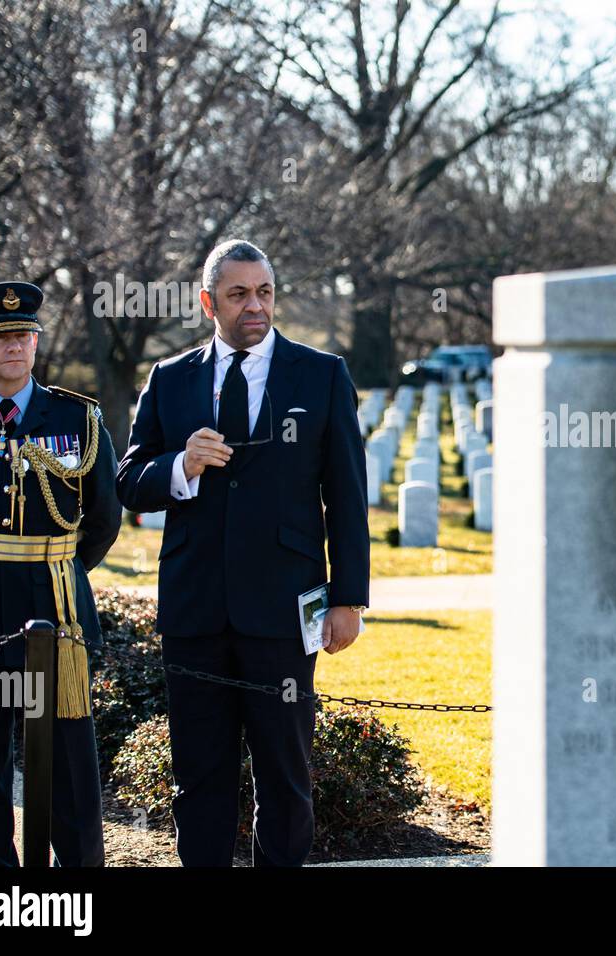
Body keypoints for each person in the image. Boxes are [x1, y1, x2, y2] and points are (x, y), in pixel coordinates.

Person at [116, 239, 369, 866]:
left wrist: (349, 600)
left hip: (283, 609)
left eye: (264, 292)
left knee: (285, 776)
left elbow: (347, 496)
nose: (254, 306)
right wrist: (179, 465)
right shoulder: (171, 379)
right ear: (208, 302)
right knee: (199, 776)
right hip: (194, 609)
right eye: (238, 294)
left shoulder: (321, 374)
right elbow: (127, 480)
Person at [0, 281, 121, 866]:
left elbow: (102, 519)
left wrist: (56, 568)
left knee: (68, 762)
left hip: (55, 606)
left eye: (22, 335)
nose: (13, 346)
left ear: (37, 343)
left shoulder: (79, 417)